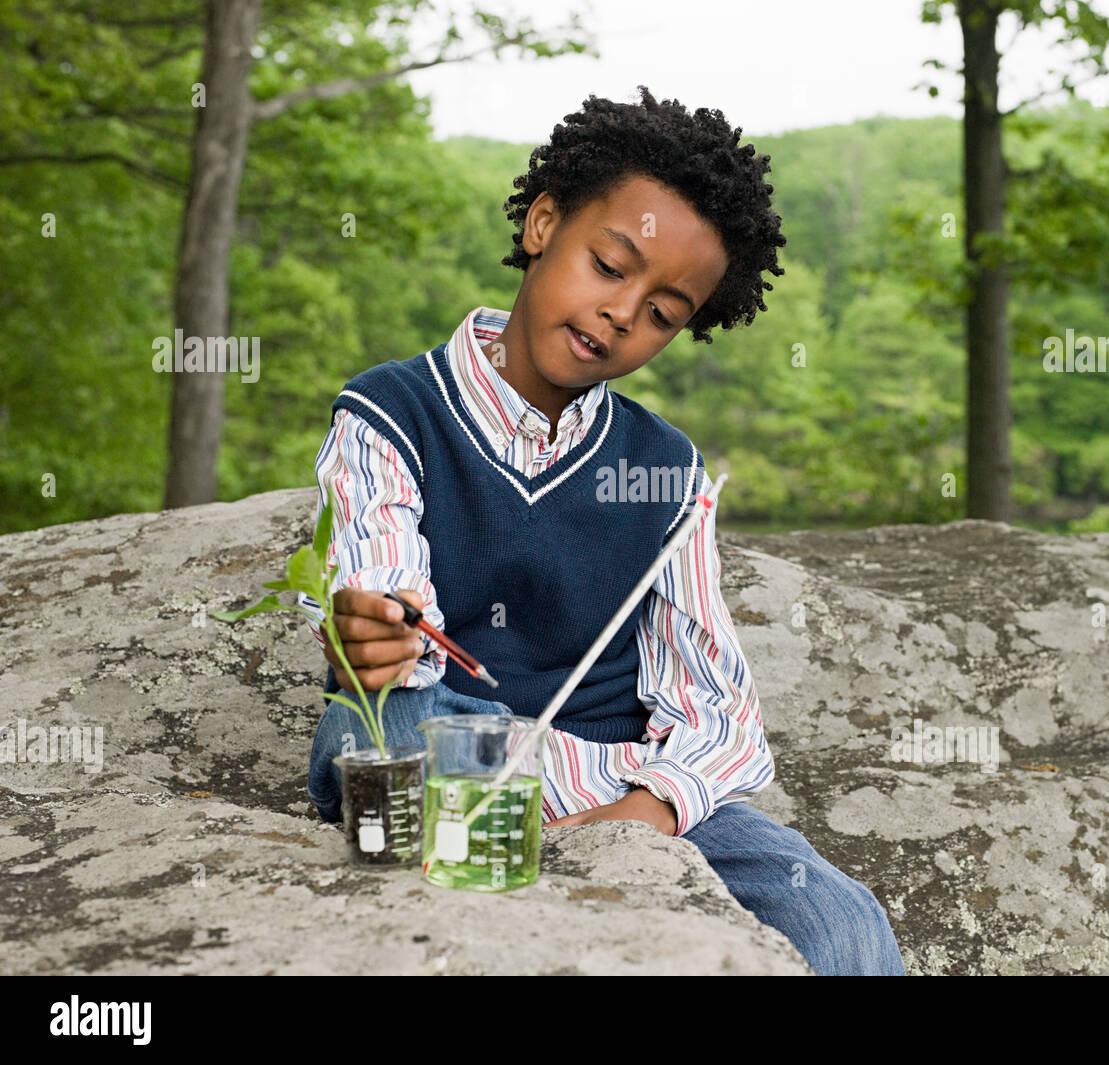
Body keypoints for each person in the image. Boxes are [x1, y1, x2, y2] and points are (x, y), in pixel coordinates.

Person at [302, 86, 904, 976]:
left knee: (843, 923)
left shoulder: (664, 469)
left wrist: (649, 813)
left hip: (619, 780)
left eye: (663, 313)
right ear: (544, 221)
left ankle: (530, 848)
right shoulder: (391, 412)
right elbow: (393, 620)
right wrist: (372, 634)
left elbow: (720, 717)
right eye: (611, 266)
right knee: (393, 726)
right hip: (445, 744)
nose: (624, 313)